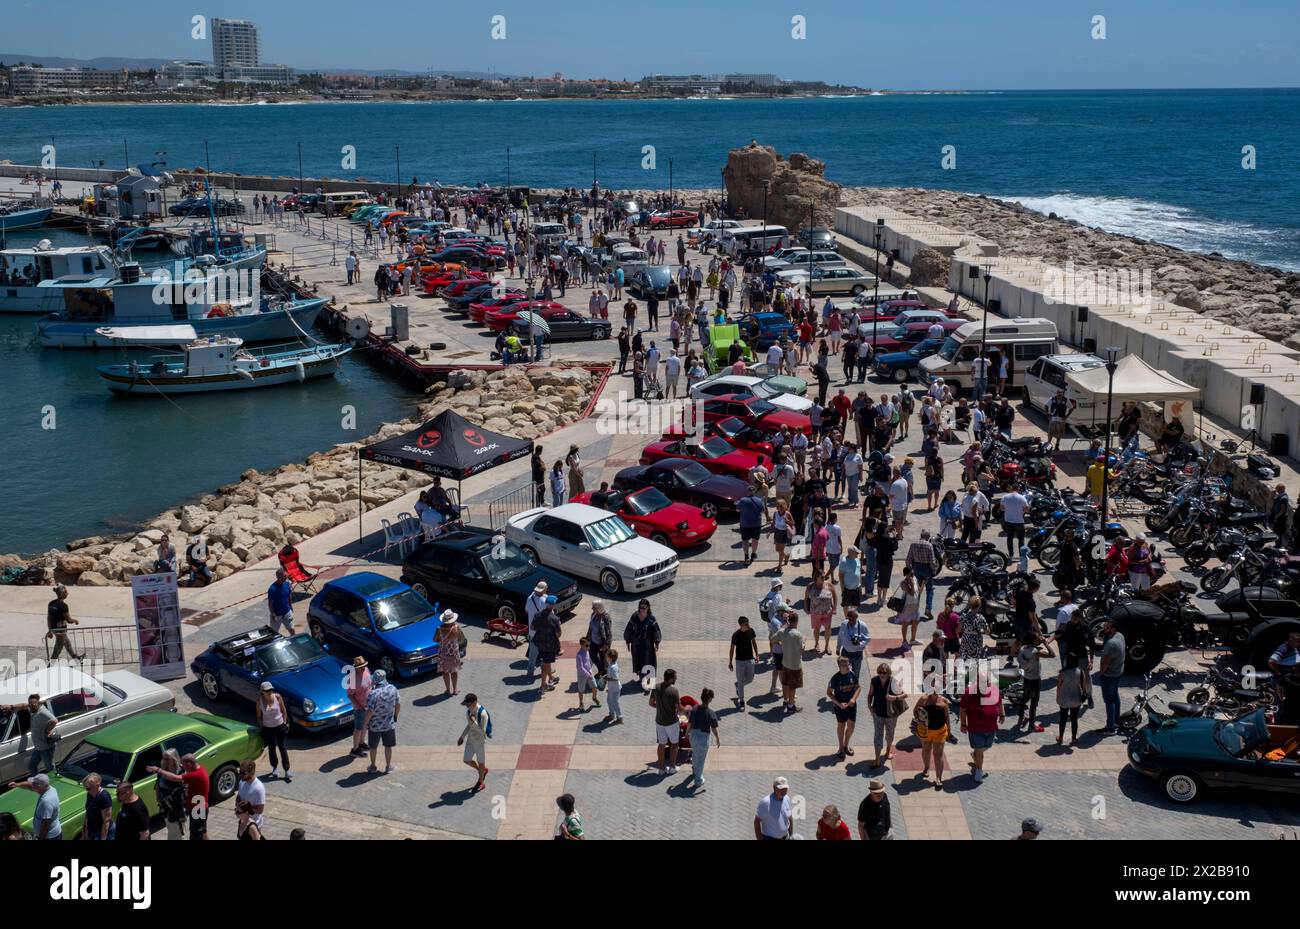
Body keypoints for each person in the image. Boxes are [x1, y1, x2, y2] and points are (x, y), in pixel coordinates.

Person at [147, 754, 208, 840]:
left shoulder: (196, 774)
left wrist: (158, 770)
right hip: (198, 804)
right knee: (202, 831)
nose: (181, 766)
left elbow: (175, 778)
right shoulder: (198, 768)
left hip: (198, 807)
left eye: (183, 764)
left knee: (196, 834)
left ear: (190, 764)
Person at [960, 678, 1003, 784]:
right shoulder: (969, 692)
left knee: (986, 747)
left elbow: (1000, 702)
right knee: (979, 750)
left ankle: (975, 755)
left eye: (987, 681)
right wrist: (963, 724)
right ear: (977, 682)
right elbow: (963, 709)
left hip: (991, 728)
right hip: (976, 729)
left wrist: (1002, 713)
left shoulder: (994, 690)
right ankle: (979, 771)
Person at [867, 663, 906, 767]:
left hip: (891, 715)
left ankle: (888, 751)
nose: (881, 674)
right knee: (877, 736)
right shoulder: (874, 681)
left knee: (889, 734)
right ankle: (877, 760)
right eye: (879, 672)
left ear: (888, 673)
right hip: (878, 714)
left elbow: (905, 695)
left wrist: (894, 698)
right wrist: (870, 708)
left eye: (884, 672)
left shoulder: (893, 682)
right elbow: (870, 695)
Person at [364, 669, 400, 774]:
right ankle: (388, 766)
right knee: (388, 746)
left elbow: (370, 711)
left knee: (373, 747)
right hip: (389, 725)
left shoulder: (373, 694)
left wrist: (365, 723)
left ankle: (373, 766)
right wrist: (395, 716)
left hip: (375, 726)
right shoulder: (393, 689)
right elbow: (398, 704)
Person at [825, 655, 861, 760]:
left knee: (851, 727)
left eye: (848, 664)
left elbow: (858, 687)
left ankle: (846, 745)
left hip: (851, 705)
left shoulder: (852, 675)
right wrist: (839, 704)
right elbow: (829, 693)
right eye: (844, 665)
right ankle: (840, 748)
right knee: (841, 727)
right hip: (839, 707)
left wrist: (853, 699)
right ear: (839, 666)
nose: (847, 666)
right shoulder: (835, 678)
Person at [914, 689, 951, 789]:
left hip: (940, 731)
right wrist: (919, 720)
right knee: (926, 750)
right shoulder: (923, 699)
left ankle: (939, 778)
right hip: (925, 730)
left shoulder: (943, 701)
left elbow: (947, 717)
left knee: (938, 754)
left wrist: (949, 732)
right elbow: (915, 711)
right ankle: (926, 768)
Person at [686, 688, 721, 790]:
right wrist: (718, 738)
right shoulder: (711, 713)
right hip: (703, 738)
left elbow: (690, 723)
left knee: (695, 754)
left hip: (693, 736)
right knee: (701, 759)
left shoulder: (694, 709)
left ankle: (694, 769)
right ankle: (698, 780)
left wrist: (687, 733)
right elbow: (714, 729)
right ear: (709, 699)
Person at [650, 668, 682, 775]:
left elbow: (651, 703)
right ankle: (672, 767)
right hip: (672, 722)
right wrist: (687, 709)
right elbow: (679, 708)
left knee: (661, 744)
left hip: (659, 721)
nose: (676, 679)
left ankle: (661, 768)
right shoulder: (674, 691)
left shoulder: (656, 687)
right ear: (671, 678)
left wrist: (659, 707)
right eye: (675, 677)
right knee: (674, 745)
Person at [1097, 619, 1126, 734]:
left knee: (1109, 701)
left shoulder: (1111, 643)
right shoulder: (1121, 636)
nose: (1105, 629)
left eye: (1107, 627)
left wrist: (1101, 673)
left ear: (1113, 628)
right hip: (1118, 672)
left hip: (1109, 675)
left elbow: (1105, 662)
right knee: (1115, 696)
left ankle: (1110, 727)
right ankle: (1116, 720)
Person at [458, 693, 491, 793]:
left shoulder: (483, 713)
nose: (466, 706)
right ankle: (482, 771)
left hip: (479, 742)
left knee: (481, 762)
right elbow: (469, 725)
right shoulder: (469, 712)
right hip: (470, 740)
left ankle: (481, 782)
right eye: (466, 704)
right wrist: (462, 736)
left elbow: (483, 732)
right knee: (466, 760)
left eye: (468, 704)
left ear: (474, 702)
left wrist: (474, 722)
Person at [623, 599, 661, 686]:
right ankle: (641, 679)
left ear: (648, 608)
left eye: (644, 607)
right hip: (636, 645)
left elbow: (656, 631)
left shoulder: (651, 619)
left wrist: (657, 643)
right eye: (640, 607)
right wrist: (627, 640)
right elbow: (629, 627)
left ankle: (650, 683)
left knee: (648, 662)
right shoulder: (635, 616)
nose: (642, 609)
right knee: (638, 662)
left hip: (647, 645)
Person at [776, 611, 805, 713]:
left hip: (785, 663)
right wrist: (804, 641)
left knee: (785, 682)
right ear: (796, 622)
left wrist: (780, 643)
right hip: (795, 665)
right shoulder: (798, 635)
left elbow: (772, 639)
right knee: (793, 686)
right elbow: (802, 649)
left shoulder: (782, 632)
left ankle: (786, 700)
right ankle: (791, 705)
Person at [155, 748, 187, 839]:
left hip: (178, 806)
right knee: (172, 829)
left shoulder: (181, 771)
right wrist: (158, 798)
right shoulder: (162, 770)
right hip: (166, 807)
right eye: (164, 758)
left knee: (178, 831)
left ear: (174, 759)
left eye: (167, 759)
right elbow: (157, 784)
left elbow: (177, 780)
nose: (165, 761)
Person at [46, 584, 83, 661]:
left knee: (67, 643)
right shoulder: (63, 605)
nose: (68, 593)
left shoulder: (51, 603)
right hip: (61, 630)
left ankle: (76, 657)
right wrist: (75, 621)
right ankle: (50, 665)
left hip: (54, 629)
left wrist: (50, 630)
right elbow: (69, 620)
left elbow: (49, 618)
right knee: (58, 648)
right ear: (63, 593)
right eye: (66, 592)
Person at [533, 596, 562, 693]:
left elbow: (532, 627)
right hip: (549, 646)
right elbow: (558, 634)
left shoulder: (537, 615)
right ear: (553, 605)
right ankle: (542, 686)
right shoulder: (554, 619)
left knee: (547, 662)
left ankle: (551, 678)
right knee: (545, 665)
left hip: (539, 644)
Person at [1056, 662, 1089, 746]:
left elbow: (1059, 686)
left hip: (1064, 699)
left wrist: (1058, 697)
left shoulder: (1062, 673)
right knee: (1074, 719)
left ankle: (1060, 738)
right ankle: (1074, 738)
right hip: (1076, 699)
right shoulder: (1080, 671)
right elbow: (1084, 687)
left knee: (1062, 719)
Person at [807, 570, 838, 656]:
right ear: (816, 577)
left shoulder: (829, 585)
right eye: (822, 577)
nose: (824, 578)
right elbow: (806, 597)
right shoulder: (811, 586)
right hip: (815, 612)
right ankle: (816, 644)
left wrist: (834, 608)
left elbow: (835, 596)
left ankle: (827, 646)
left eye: (824, 577)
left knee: (827, 629)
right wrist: (806, 608)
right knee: (816, 629)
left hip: (827, 612)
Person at [729, 615, 758, 709]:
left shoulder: (751, 631)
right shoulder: (735, 635)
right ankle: (741, 700)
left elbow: (754, 642)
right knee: (741, 680)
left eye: (748, 623)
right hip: (739, 661)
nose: (748, 625)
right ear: (741, 625)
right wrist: (730, 662)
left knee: (750, 678)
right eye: (746, 624)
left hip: (750, 659)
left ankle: (738, 685)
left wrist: (757, 655)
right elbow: (732, 649)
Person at [346, 656, 372, 757]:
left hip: (368, 705)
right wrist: (359, 706)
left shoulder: (366, 670)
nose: (362, 668)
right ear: (355, 668)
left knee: (365, 725)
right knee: (358, 728)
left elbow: (370, 684)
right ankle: (355, 749)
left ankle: (361, 743)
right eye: (360, 667)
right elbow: (350, 695)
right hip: (359, 708)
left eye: (364, 666)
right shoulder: (352, 679)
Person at [737, 483, 766, 565]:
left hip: (745, 524)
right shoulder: (759, 500)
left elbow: (737, 510)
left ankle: (746, 556)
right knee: (755, 540)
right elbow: (763, 511)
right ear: (754, 492)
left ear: (747, 492)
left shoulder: (742, 500)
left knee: (745, 540)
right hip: (756, 524)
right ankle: (753, 554)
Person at [892, 566, 921, 646]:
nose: (912, 575)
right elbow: (911, 593)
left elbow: (918, 591)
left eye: (913, 573)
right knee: (905, 623)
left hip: (915, 605)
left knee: (915, 622)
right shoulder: (903, 583)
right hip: (907, 607)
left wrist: (923, 584)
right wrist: (911, 584)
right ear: (906, 574)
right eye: (911, 574)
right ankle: (904, 641)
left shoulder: (915, 579)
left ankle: (913, 639)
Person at [81, 774, 114, 840]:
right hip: (92, 830)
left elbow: (106, 821)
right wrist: (84, 829)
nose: (86, 790)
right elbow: (88, 811)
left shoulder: (104, 797)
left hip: (102, 833)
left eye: (88, 788)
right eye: (85, 788)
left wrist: (103, 839)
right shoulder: (90, 794)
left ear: (97, 785)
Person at [1001, 484, 1028, 558]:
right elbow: (1026, 509)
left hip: (1008, 521)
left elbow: (1002, 508)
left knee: (1009, 538)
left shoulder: (1005, 497)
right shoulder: (1022, 498)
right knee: (1021, 539)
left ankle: (1011, 555)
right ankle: (1021, 556)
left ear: (1011, 488)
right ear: (1018, 489)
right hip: (1019, 521)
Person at [267, 568, 294, 636]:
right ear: (279, 577)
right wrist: (272, 613)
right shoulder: (272, 589)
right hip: (277, 615)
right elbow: (270, 603)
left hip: (287, 612)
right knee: (273, 633)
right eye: (284, 576)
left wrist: (290, 606)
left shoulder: (287, 584)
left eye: (286, 575)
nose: (286, 577)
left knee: (292, 630)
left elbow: (289, 595)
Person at [602, 648, 624, 724]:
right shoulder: (611, 665)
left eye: (607, 657)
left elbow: (615, 678)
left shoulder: (613, 667)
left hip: (615, 689)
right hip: (611, 688)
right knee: (609, 701)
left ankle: (620, 717)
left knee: (615, 702)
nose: (606, 658)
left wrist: (606, 678)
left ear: (610, 658)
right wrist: (607, 676)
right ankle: (612, 715)